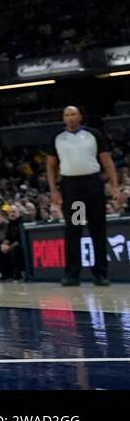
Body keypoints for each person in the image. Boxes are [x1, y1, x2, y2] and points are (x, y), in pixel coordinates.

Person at [46, 105, 121, 286]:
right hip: (73, 188)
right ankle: (72, 274)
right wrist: (54, 190)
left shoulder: (93, 134)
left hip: (92, 185)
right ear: (63, 118)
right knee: (75, 229)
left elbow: (107, 162)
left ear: (80, 117)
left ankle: (100, 274)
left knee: (97, 229)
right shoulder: (58, 138)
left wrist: (115, 186)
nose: (70, 117)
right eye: (67, 115)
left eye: (73, 114)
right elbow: (51, 167)